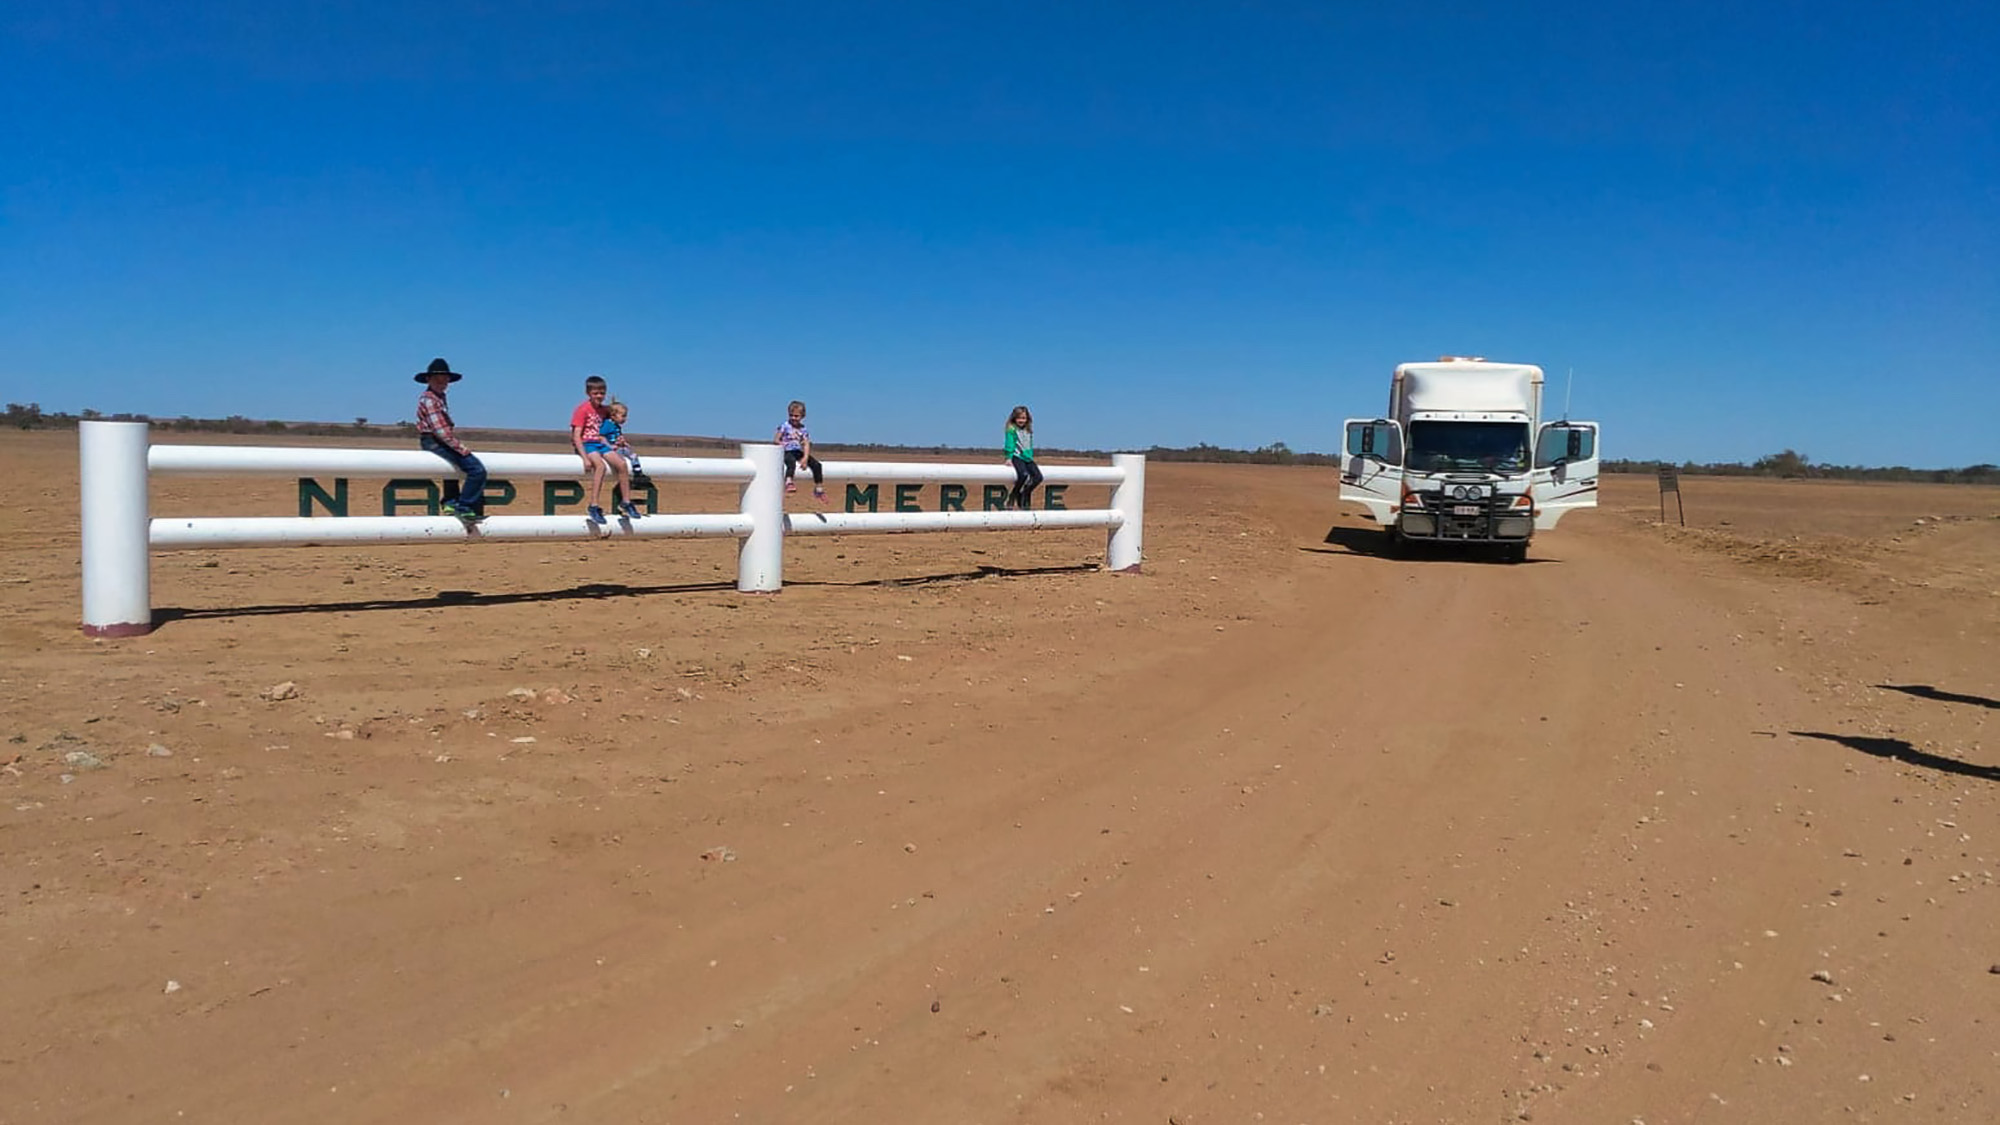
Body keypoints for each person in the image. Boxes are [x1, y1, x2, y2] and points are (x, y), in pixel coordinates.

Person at [414, 357, 486, 522]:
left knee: (453, 467)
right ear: (428, 379)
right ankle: (464, 506)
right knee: (477, 470)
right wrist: (461, 448)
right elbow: (441, 432)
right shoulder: (430, 400)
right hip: (434, 441)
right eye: (437, 379)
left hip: (433, 440)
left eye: (444, 379)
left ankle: (450, 502)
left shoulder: (437, 397)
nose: (442, 383)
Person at [571, 375, 640, 524]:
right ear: (588, 393)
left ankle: (626, 501)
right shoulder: (582, 410)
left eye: (602, 393)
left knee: (622, 464)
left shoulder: (605, 410)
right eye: (595, 393)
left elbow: (615, 423)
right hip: (588, 444)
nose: (599, 396)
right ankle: (594, 505)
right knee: (600, 466)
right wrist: (584, 457)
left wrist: (619, 440)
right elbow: (576, 435)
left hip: (602, 444)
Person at [600, 400, 647, 513]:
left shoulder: (617, 426)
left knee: (633, 455)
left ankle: (638, 472)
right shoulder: (607, 425)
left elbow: (618, 437)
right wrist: (610, 446)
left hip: (620, 447)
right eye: (623, 416)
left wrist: (624, 442)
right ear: (613, 415)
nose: (625, 419)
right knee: (621, 460)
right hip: (613, 449)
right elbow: (601, 437)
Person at [774, 399, 825, 501]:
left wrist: (805, 458)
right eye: (791, 415)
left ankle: (818, 487)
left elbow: (806, 444)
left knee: (817, 465)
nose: (793, 418)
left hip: (797, 451)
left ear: (802, 416)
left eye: (796, 416)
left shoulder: (803, 429)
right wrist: (782, 444)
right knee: (791, 462)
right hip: (786, 451)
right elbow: (776, 439)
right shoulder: (785, 426)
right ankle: (789, 481)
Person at [1004, 404, 1041, 510]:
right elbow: (1010, 443)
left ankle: (1024, 493)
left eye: (1024, 418)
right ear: (1014, 418)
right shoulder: (1011, 429)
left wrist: (1030, 456)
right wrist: (1008, 457)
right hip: (1017, 456)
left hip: (1028, 458)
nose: (1021, 420)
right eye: (1019, 418)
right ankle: (1013, 495)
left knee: (1038, 477)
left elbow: (1029, 444)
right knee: (1023, 475)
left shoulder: (1028, 430)